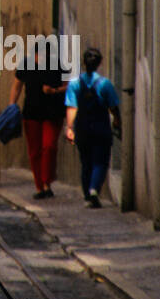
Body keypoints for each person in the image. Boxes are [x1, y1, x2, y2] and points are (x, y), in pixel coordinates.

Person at [9, 45, 68, 199]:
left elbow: (68, 86)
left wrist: (54, 91)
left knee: (49, 146)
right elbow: (17, 87)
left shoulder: (57, 65)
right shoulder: (25, 65)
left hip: (53, 113)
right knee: (35, 151)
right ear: (34, 54)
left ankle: (47, 181)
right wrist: (12, 106)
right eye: (39, 56)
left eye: (45, 56)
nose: (42, 59)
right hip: (31, 113)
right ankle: (40, 187)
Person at [65, 47, 121, 208]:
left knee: (86, 162)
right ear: (99, 64)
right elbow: (113, 106)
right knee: (100, 162)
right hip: (101, 128)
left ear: (83, 63)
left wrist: (69, 128)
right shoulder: (104, 84)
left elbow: (71, 107)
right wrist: (117, 120)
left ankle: (87, 196)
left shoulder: (75, 84)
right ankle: (94, 189)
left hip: (82, 128)